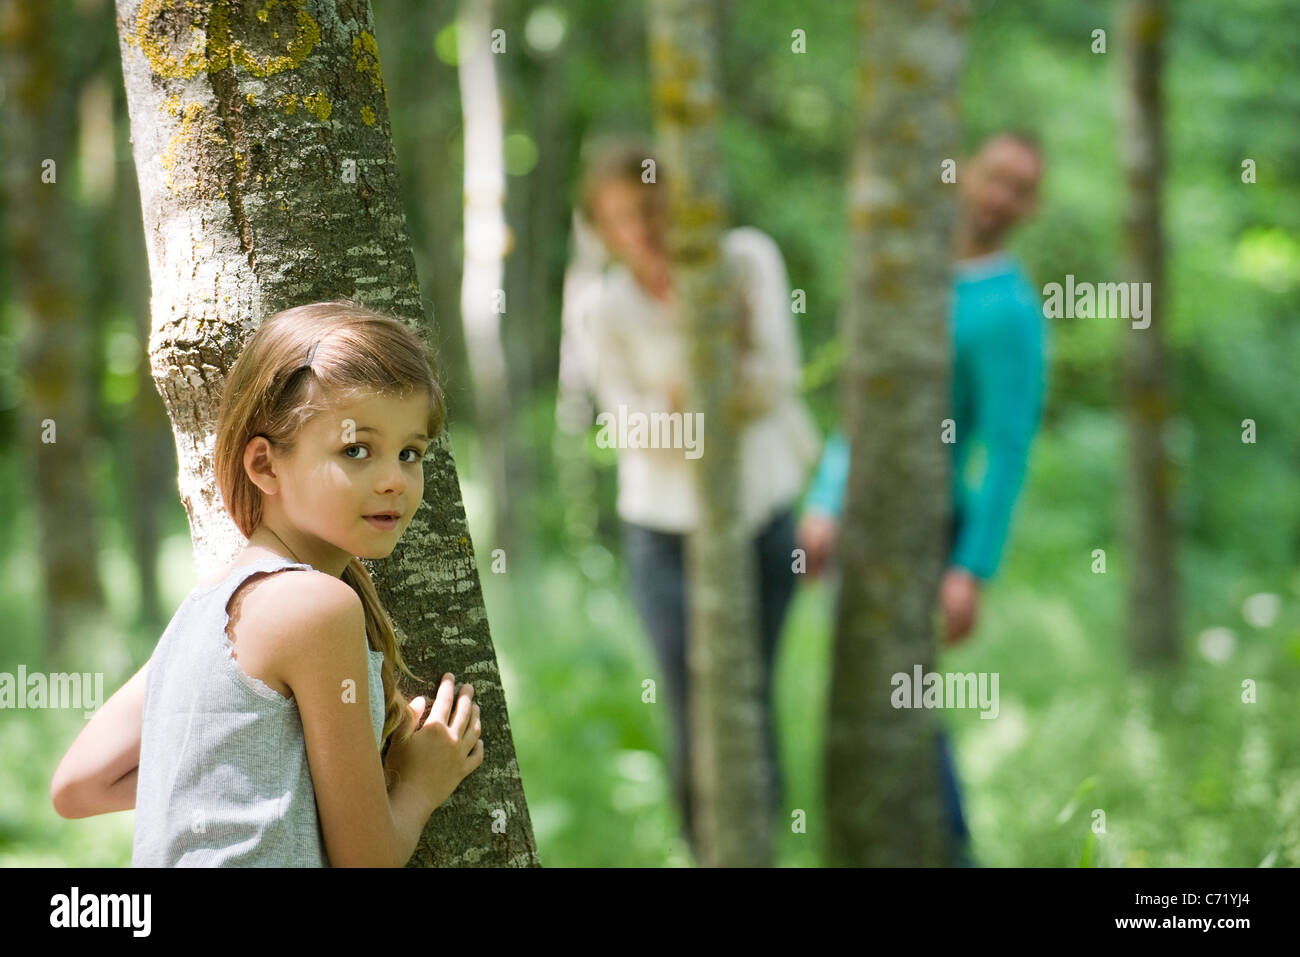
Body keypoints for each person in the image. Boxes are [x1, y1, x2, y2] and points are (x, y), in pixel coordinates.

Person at [50, 300, 484, 866]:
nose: (392, 481)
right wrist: (422, 783)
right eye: (356, 450)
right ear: (265, 466)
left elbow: (79, 784)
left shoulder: (208, 609)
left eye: (410, 453)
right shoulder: (316, 607)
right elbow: (368, 861)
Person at [799, 131, 1049, 866]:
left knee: (907, 706)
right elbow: (867, 407)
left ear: (1030, 209)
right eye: (997, 176)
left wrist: (972, 568)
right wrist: (824, 498)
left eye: (1023, 189)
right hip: (858, 519)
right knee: (861, 701)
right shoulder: (910, 270)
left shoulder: (1009, 309)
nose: (1003, 197)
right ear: (967, 171)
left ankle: (953, 851)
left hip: (930, 527)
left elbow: (1007, 448)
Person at [577, 137, 821, 855]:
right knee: (690, 705)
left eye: (651, 206)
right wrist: (707, 372)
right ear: (602, 229)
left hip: (762, 515)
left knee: (750, 696)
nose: (642, 229)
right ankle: (703, 849)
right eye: (620, 217)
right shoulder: (605, 310)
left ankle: (761, 848)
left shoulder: (746, 259)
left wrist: (688, 397)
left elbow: (777, 381)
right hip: (663, 532)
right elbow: (628, 428)